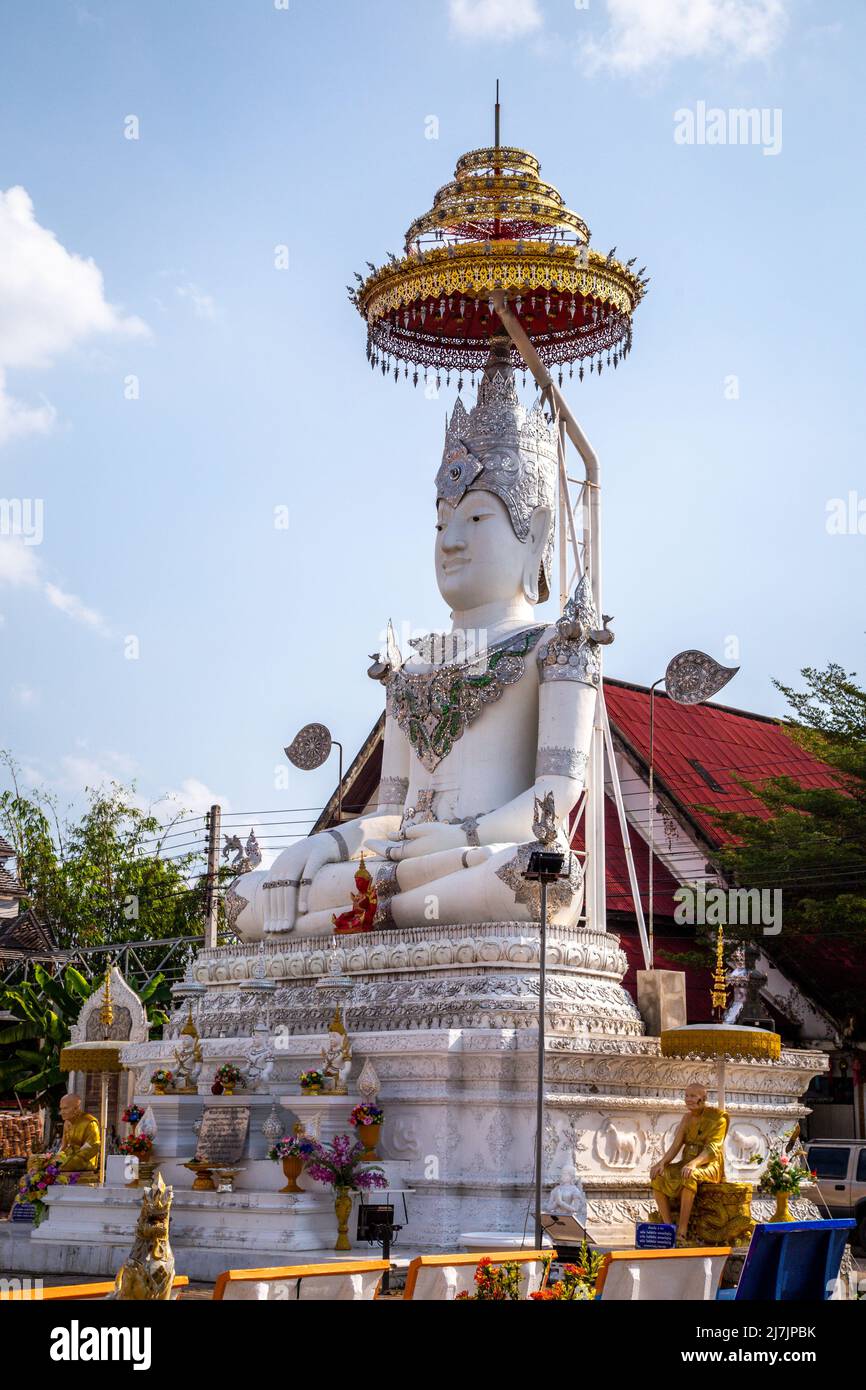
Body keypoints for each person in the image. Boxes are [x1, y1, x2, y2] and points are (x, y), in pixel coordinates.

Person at [650, 1084, 727, 1244]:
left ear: (703, 1099)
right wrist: (661, 1163)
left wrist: (694, 1163)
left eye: (693, 1096)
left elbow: (713, 1149)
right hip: (687, 1161)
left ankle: (682, 1230)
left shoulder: (718, 1118)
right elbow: (676, 1145)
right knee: (658, 1176)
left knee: (689, 1174)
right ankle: (668, 1227)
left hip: (708, 1163)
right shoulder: (687, 1118)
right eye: (686, 1096)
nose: (688, 1100)